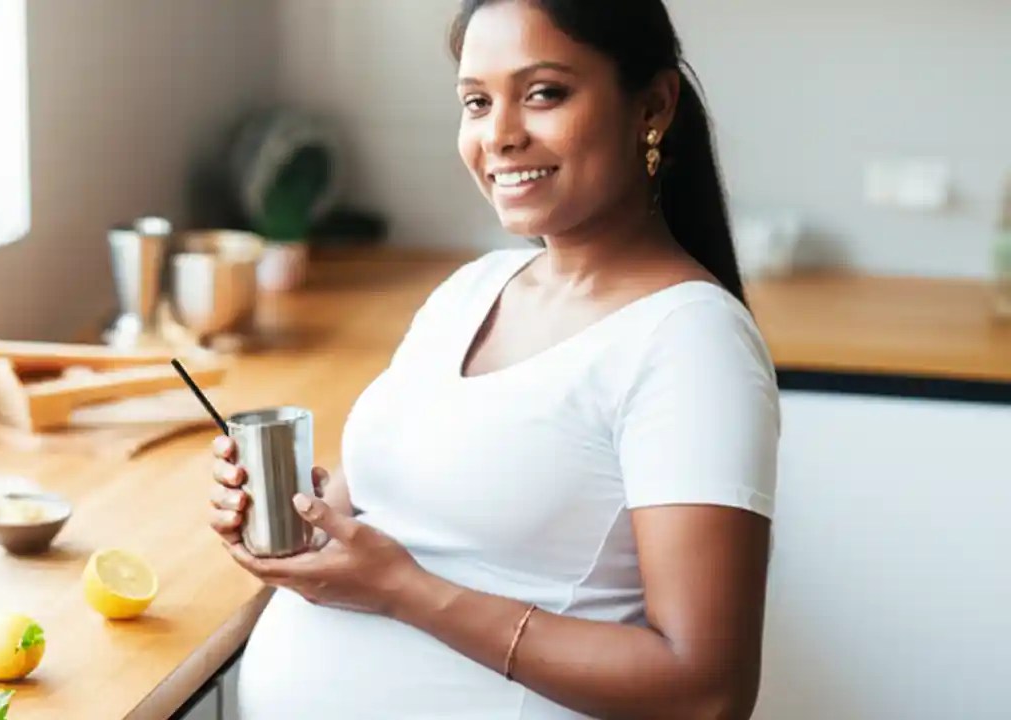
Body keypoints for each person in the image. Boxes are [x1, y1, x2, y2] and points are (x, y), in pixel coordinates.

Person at [208, 1, 780, 717]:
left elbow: (706, 692)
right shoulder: (470, 291)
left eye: (544, 93)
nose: (500, 135)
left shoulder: (690, 343)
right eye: (476, 101)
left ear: (653, 106)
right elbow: (398, 508)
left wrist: (402, 591)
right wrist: (294, 515)